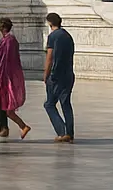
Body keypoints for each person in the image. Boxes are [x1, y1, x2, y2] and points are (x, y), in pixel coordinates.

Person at [0, 17, 30, 138]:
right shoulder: (13, 40)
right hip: (11, 75)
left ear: (2, 28)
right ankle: (5, 128)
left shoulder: (5, 41)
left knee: (2, 103)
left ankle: (6, 128)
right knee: (2, 102)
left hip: (4, 76)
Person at [43, 12, 75, 142]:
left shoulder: (53, 36)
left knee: (49, 104)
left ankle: (61, 131)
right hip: (68, 74)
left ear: (50, 23)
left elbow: (49, 57)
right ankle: (70, 133)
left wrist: (46, 74)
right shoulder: (67, 35)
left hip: (56, 76)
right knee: (65, 103)